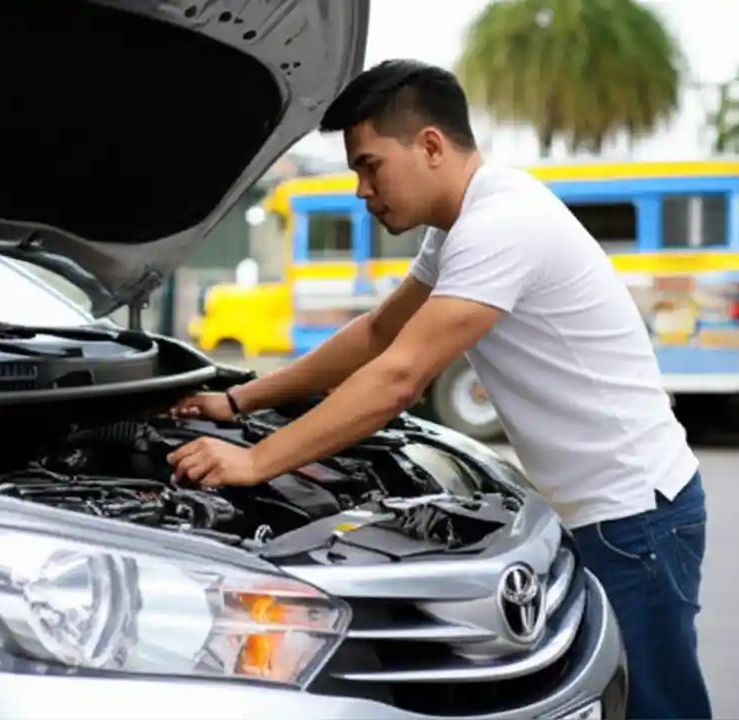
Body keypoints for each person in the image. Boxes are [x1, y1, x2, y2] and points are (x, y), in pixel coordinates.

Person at [167, 59, 711, 720]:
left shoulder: (500, 224)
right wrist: (241, 401)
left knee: (657, 706)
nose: (363, 190)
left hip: (635, 515)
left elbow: (399, 377)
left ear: (430, 145)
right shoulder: (460, 226)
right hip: (604, 509)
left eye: (370, 166)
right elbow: (379, 333)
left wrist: (256, 461)